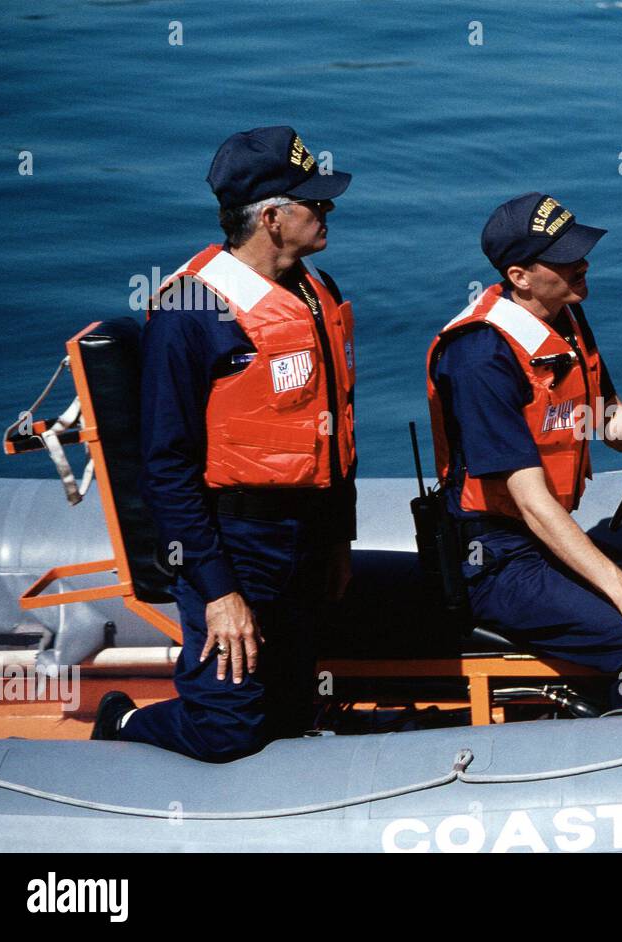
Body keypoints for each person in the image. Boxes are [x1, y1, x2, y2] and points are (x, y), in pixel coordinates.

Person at [92, 126, 358, 759]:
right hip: (235, 542)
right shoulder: (191, 313)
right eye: (312, 202)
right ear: (271, 217)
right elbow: (167, 466)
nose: (327, 210)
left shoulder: (318, 293)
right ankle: (124, 723)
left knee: (291, 713)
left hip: (305, 534)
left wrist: (337, 542)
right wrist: (217, 591)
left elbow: (337, 421)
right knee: (229, 729)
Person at [425, 192, 622, 712]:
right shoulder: (480, 358)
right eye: (565, 259)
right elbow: (532, 503)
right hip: (497, 561)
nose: (583, 264)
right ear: (519, 276)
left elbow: (614, 427)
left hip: (543, 539)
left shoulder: (564, 321)